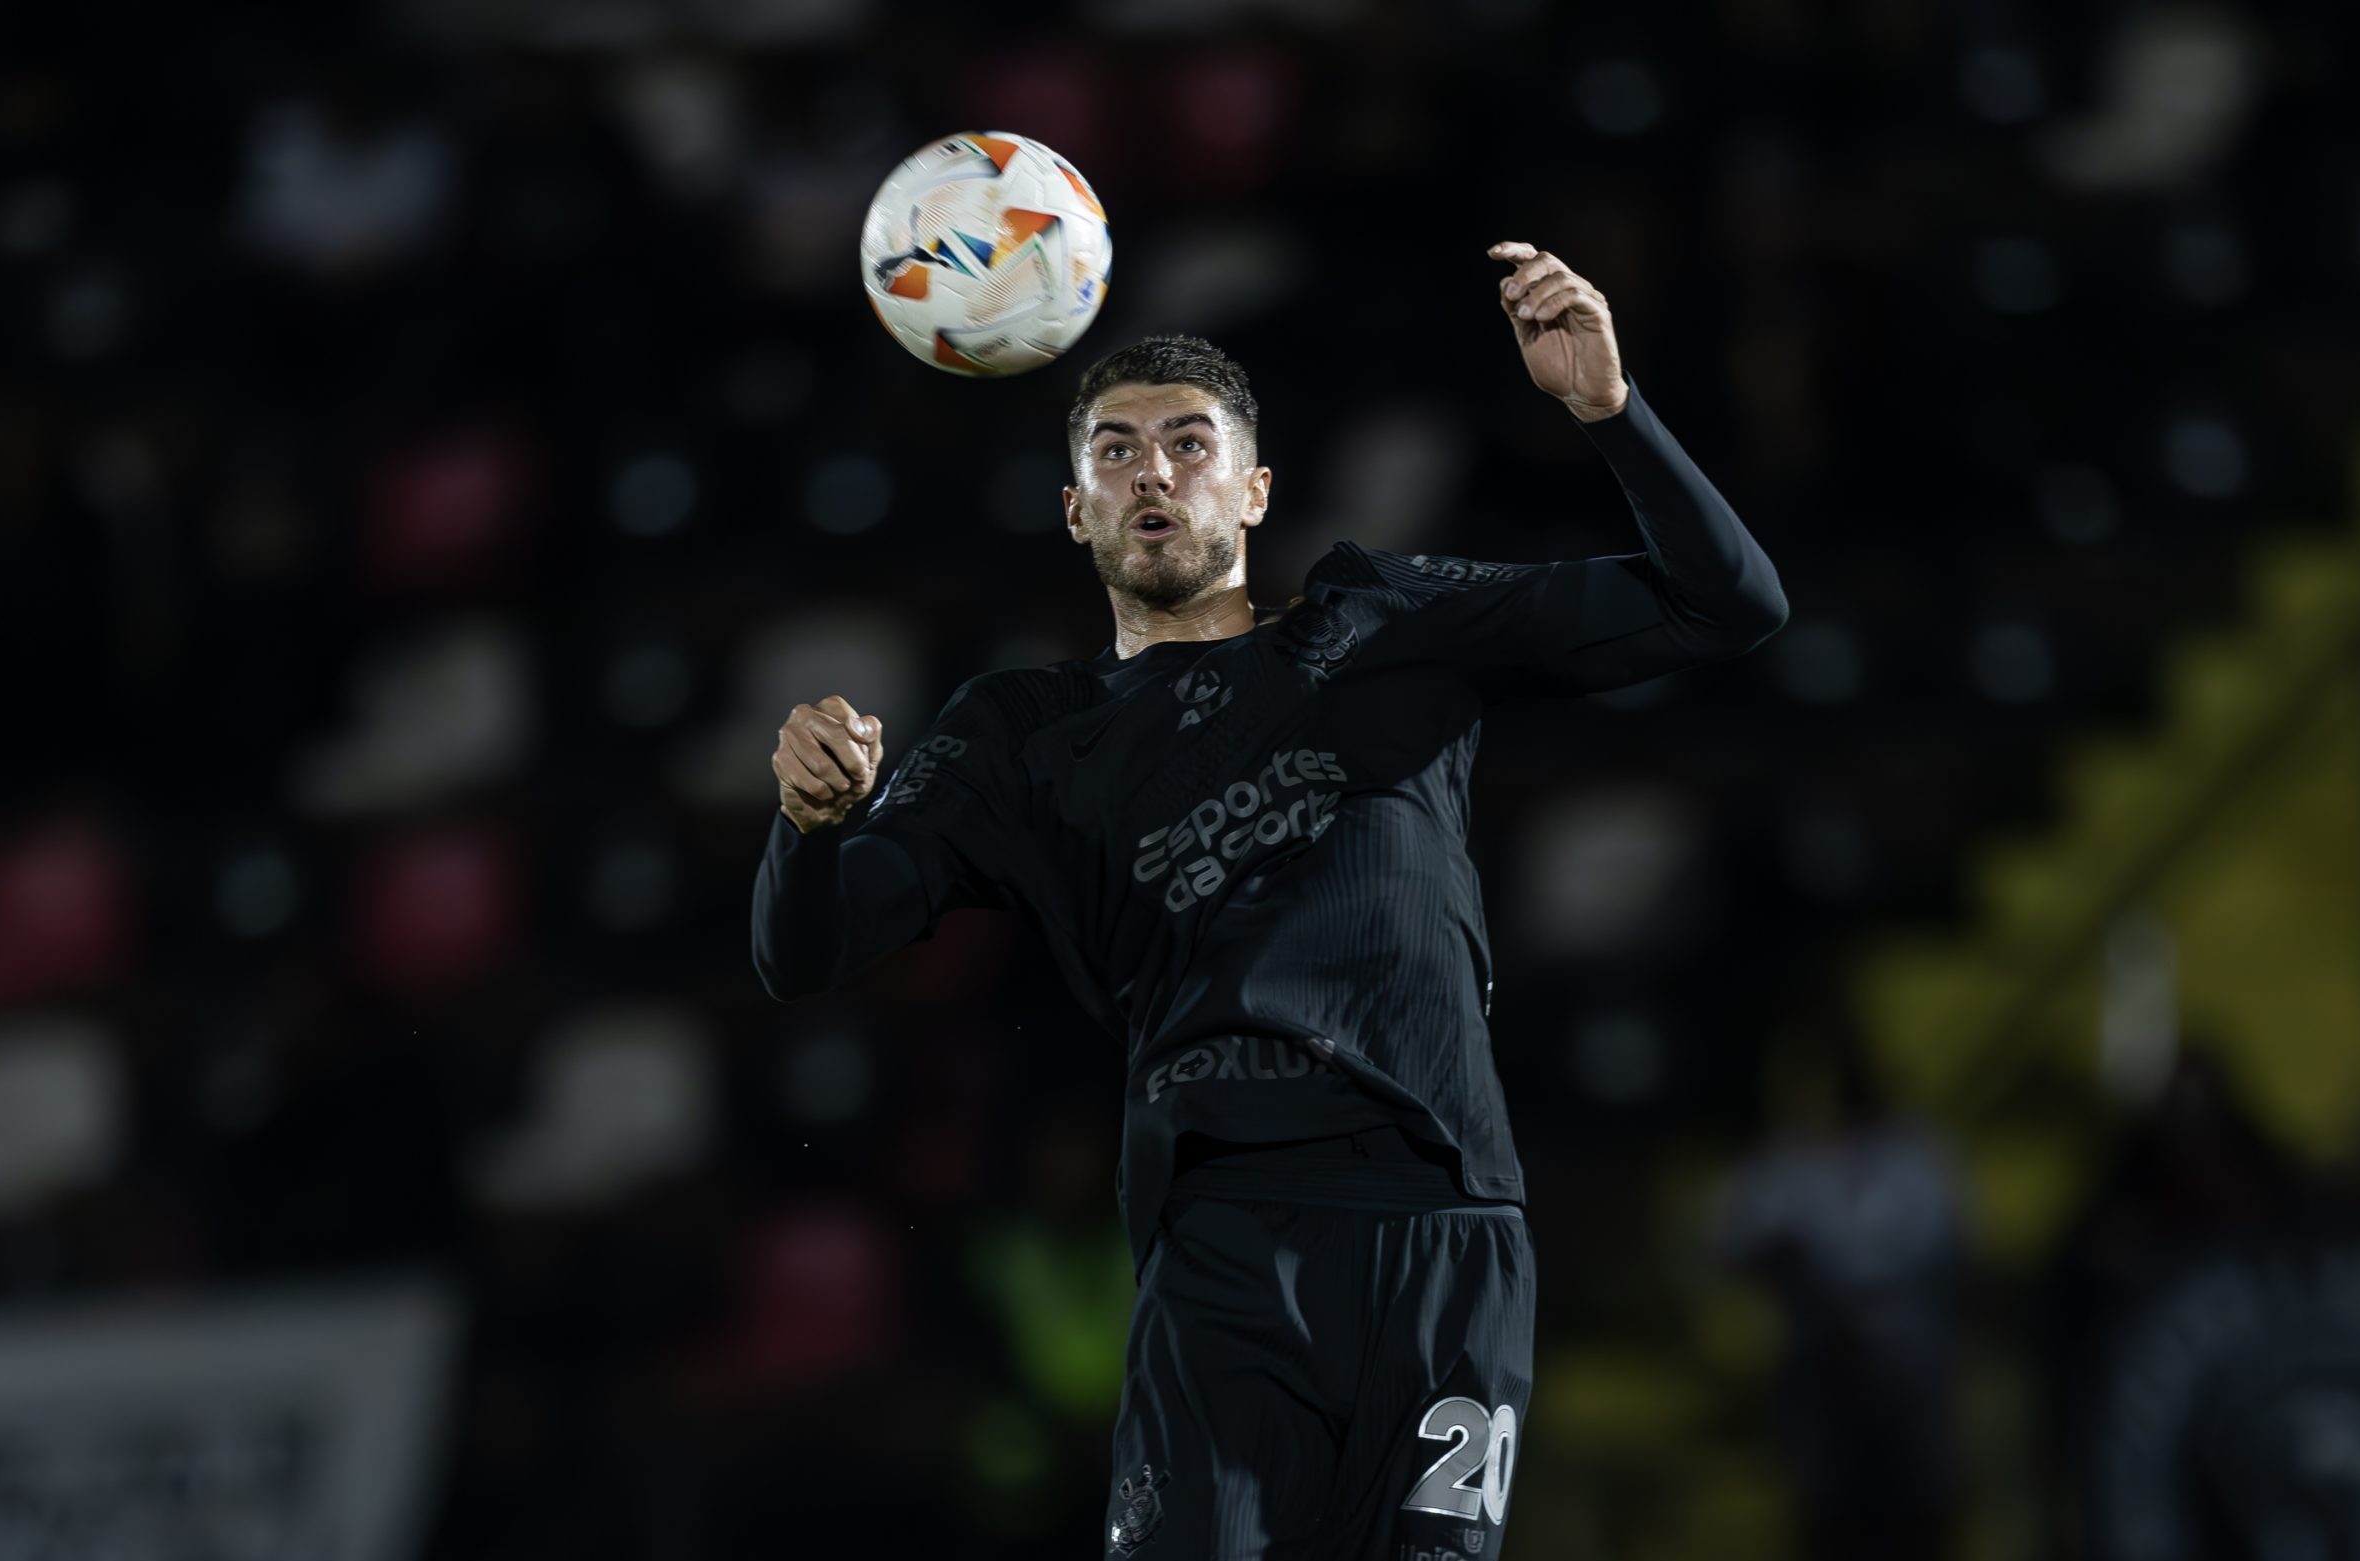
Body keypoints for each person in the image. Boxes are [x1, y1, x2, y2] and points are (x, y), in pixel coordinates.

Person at [753, 241, 1788, 1559]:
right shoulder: (1025, 733)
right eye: (1114, 453)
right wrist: (808, 826)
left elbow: (1731, 601)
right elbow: (807, 948)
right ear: (1074, 511)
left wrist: (1609, 411)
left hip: (1443, 1232)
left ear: (1251, 490)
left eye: (1189, 444)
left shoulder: (1385, 626)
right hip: (1224, 1247)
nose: (1153, 473)